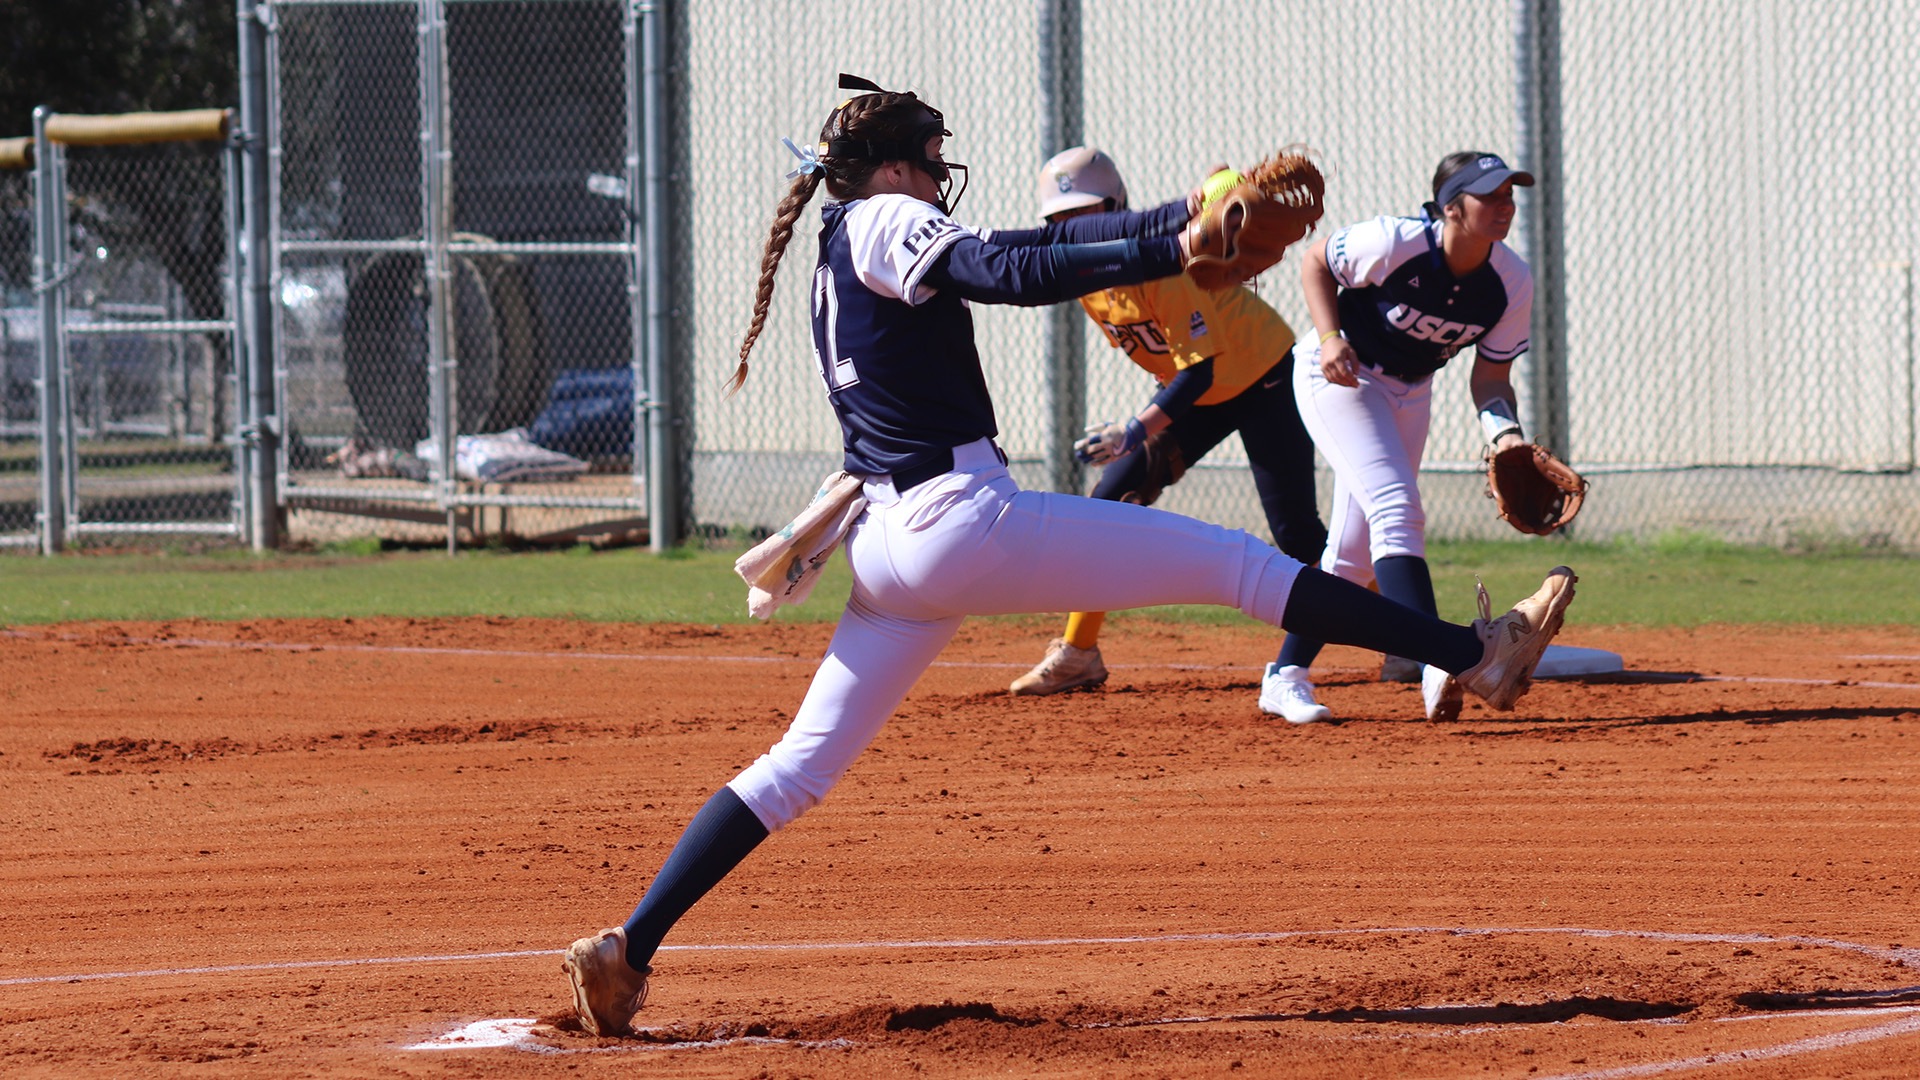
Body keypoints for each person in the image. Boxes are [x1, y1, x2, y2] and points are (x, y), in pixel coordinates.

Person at [560, 81, 1576, 1036]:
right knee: (1235, 566)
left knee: (795, 769)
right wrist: (1173, 236)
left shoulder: (839, 238)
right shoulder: (879, 218)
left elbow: (1025, 248)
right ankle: (1470, 653)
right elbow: (1004, 268)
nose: (936, 175)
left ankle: (626, 949)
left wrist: (1175, 221)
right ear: (888, 168)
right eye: (927, 159)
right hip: (955, 520)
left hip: (889, 541)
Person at [1006, 147, 1328, 697]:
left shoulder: (1159, 264)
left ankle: (1399, 627)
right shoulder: (1085, 276)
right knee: (1108, 506)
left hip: (1263, 377)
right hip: (1197, 396)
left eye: (1087, 213)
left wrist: (1136, 429)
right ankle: (1079, 653)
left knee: (1297, 534)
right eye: (1061, 219)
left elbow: (1199, 372)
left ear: (1119, 206)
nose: (1075, 227)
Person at [1258, 151, 1543, 725]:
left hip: (1412, 393)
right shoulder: (1395, 242)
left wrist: (1506, 436)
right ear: (1450, 208)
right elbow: (1317, 261)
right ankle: (1441, 660)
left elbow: (1490, 380)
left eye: (1509, 194)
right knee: (1396, 509)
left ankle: (1284, 675)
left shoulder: (1510, 281)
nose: (1504, 205)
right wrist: (1330, 334)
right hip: (1338, 373)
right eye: (1489, 195)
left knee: (1352, 551)